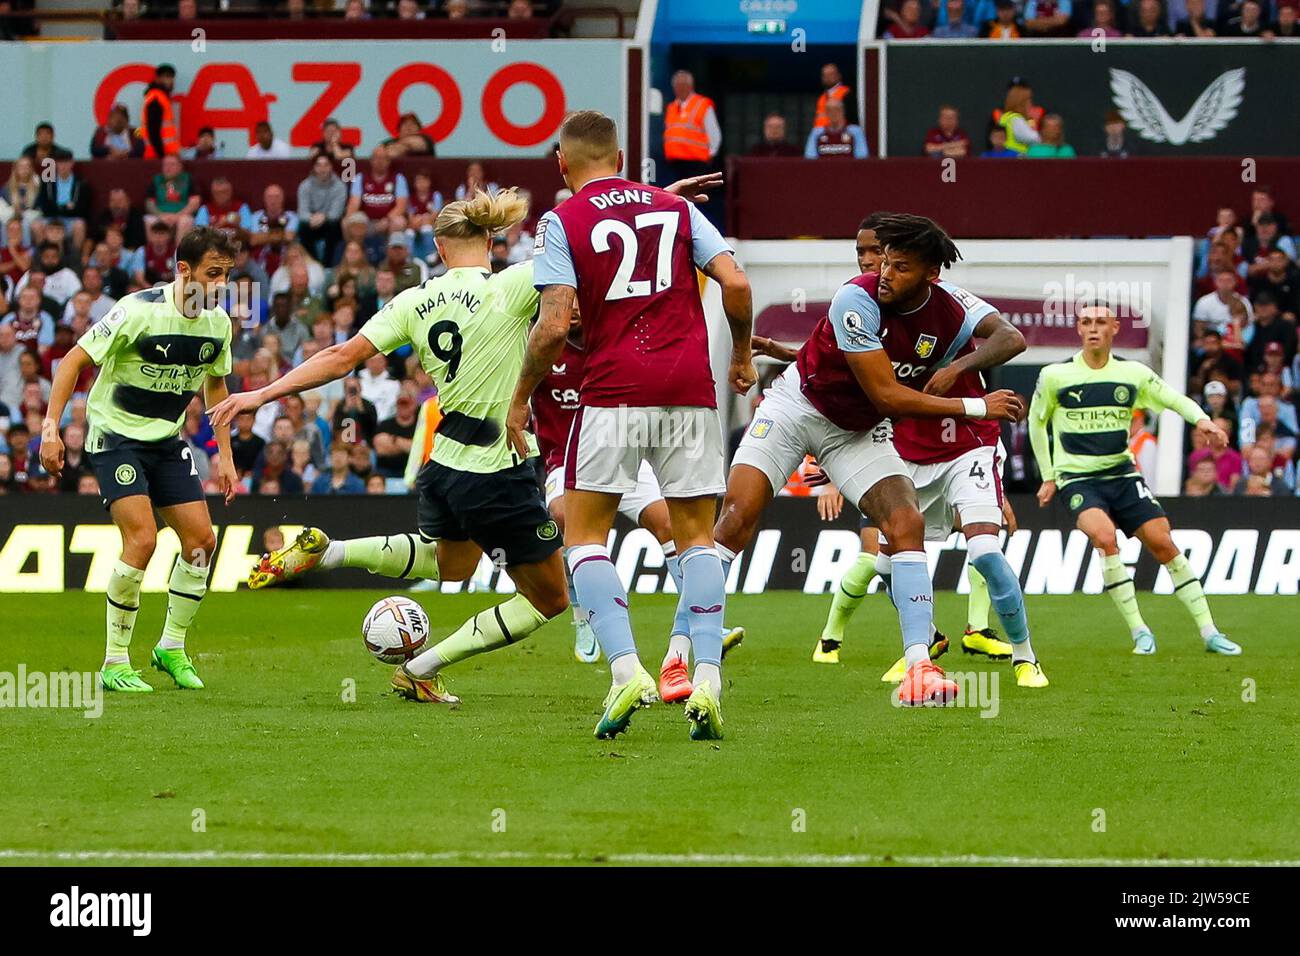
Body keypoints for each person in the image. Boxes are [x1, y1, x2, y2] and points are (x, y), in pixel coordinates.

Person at [210, 190, 573, 708]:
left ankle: (330, 551)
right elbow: (589, 254)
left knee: (454, 566)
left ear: (440, 250)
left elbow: (339, 357)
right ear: (490, 241)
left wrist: (262, 393)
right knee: (550, 596)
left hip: (444, 461)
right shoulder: (514, 284)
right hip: (498, 463)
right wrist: (649, 208)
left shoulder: (412, 301)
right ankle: (423, 667)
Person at [507, 110, 754, 741]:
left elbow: (555, 325)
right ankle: (706, 678)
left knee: (585, 536)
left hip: (615, 390)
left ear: (562, 165)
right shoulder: (676, 213)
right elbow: (737, 283)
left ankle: (625, 670)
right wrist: (743, 353)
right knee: (696, 538)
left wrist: (521, 397)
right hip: (691, 391)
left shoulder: (561, 222)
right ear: (621, 157)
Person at [713, 213, 1027, 707]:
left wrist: (957, 369)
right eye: (876, 258)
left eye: (896, 263)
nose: (880, 270)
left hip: (856, 431)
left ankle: (920, 666)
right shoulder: (856, 297)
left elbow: (1011, 337)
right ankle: (688, 645)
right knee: (737, 516)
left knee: (905, 524)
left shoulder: (952, 307)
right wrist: (974, 404)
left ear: (930, 274)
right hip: (799, 408)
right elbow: (883, 391)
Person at [39, 227, 241, 692]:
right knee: (143, 540)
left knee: (201, 543)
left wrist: (224, 456)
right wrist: (50, 431)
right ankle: (114, 662)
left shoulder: (218, 325)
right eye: (212, 274)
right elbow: (72, 361)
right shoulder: (137, 310)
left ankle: (170, 647)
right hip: (116, 438)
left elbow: (216, 386)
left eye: (226, 275)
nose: (220, 285)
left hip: (167, 442)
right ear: (184, 271)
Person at [531, 300, 744, 668]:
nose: (575, 307)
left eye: (581, 297)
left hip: (623, 448)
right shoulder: (539, 345)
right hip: (567, 460)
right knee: (566, 519)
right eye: (565, 299)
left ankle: (702, 623)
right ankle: (583, 617)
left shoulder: (610, 341)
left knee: (668, 524)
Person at [1030, 304, 1240, 656]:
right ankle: (1140, 630)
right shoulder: (1055, 376)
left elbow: (1172, 398)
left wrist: (1202, 420)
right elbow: (1037, 423)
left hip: (1123, 475)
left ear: (1114, 328)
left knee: (1163, 544)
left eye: (1100, 322)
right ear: (1078, 330)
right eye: (1086, 322)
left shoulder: (1132, 373)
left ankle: (1209, 632)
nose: (1093, 328)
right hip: (1078, 478)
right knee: (1105, 537)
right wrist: (1049, 476)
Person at [804, 98, 869, 159]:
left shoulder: (855, 131)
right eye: (829, 110)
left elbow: (862, 157)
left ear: (843, 111)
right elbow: (810, 157)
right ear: (826, 113)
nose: (833, 113)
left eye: (837, 109)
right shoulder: (817, 132)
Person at [140, 64, 181, 160]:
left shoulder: (162, 98)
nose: (171, 81)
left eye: (172, 77)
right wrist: (162, 155)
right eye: (167, 77)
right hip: (157, 157)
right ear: (158, 79)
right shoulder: (156, 99)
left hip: (164, 156)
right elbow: (153, 131)